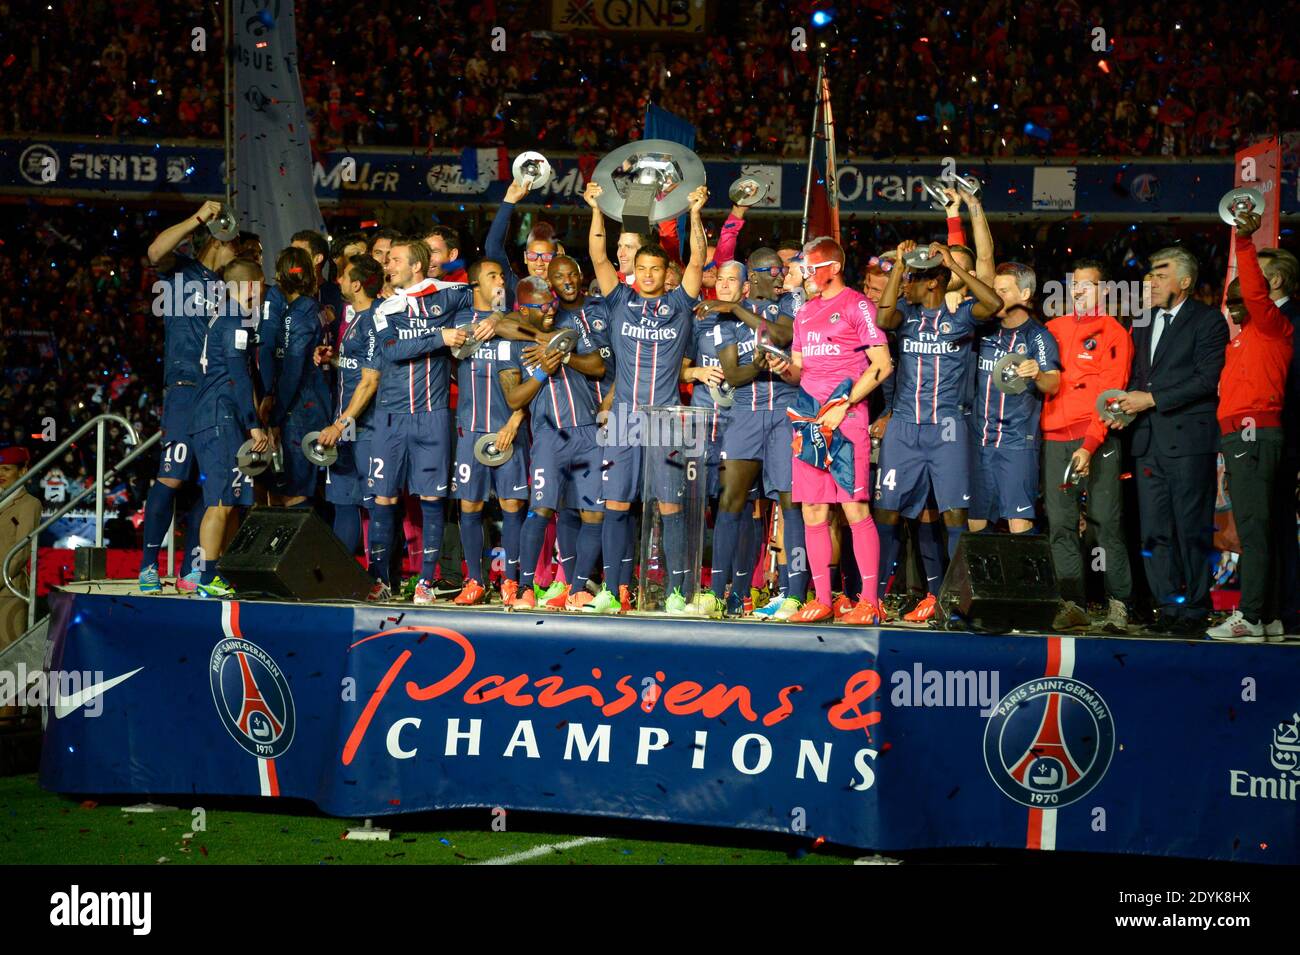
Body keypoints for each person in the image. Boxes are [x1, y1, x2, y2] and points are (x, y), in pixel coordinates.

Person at [582, 179, 708, 614]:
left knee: (670, 507)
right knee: (615, 503)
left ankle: (676, 594)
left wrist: (694, 214)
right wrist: (596, 208)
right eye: (643, 268)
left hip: (667, 418)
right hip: (622, 418)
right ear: (635, 271)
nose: (650, 275)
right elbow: (598, 255)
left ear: (664, 272)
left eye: (656, 269)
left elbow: (697, 261)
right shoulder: (618, 300)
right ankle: (612, 592)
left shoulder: (680, 303)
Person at [872, 240, 1003, 623]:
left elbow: (993, 304)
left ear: (933, 283)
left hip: (947, 429)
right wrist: (898, 263)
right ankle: (874, 598)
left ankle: (956, 603)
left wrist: (954, 268)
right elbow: (882, 321)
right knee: (888, 513)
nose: (906, 284)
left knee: (952, 516)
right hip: (904, 428)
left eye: (913, 278)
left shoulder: (961, 315)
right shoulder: (906, 315)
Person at [767, 236, 894, 624]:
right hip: (809, 419)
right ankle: (822, 599)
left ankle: (869, 602)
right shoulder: (804, 313)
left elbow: (882, 365)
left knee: (854, 507)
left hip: (846, 418)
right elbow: (801, 370)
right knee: (812, 509)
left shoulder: (858, 305)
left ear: (833, 267)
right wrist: (782, 368)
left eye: (811, 265)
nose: (804, 272)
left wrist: (845, 404)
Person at [1112, 247, 1229, 635]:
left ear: (1185, 282)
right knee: (1155, 531)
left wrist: (1153, 398)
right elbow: (1138, 376)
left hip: (1187, 441)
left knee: (1190, 528)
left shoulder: (1208, 321)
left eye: (1160, 275)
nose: (1151, 282)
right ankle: (1167, 607)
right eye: (1150, 275)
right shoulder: (1142, 321)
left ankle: (1196, 608)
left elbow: (1207, 379)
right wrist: (1123, 403)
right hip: (1147, 441)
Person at [138, 200, 236, 593]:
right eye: (233, 245)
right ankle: (148, 565)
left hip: (217, 397)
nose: (237, 252)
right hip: (184, 391)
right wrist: (198, 217)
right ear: (214, 241)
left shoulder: (231, 288)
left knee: (210, 485)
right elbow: (154, 252)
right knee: (171, 478)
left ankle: (191, 568)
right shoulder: (180, 273)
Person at [1207, 212, 1295, 641]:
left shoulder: (1273, 324)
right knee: (1264, 525)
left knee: (1253, 528)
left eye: (1256, 277)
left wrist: (1243, 241)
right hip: (1245, 433)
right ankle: (1271, 614)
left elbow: (1255, 293)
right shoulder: (1249, 332)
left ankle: (1252, 616)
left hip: (1253, 432)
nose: (1246, 286)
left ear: (1273, 283)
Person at [500, 277, 608, 611]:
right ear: (523, 308)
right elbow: (514, 398)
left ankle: (577, 590)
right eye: (541, 306)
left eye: (551, 304)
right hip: (549, 437)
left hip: (588, 434)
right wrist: (541, 372)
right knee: (541, 509)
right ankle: (525, 588)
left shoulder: (570, 325)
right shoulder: (512, 345)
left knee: (594, 513)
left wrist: (563, 355)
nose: (549, 310)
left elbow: (598, 366)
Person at [1041, 259, 1134, 631]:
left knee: (1105, 523)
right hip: (1054, 440)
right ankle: (1071, 604)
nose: (1080, 291)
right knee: (1061, 525)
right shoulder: (1052, 328)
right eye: (1075, 285)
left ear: (1105, 291)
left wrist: (1090, 443)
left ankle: (1118, 605)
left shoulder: (1113, 332)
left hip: (1096, 440)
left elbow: (1112, 397)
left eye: (1088, 285)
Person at [182, 258, 271, 597]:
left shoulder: (225, 315)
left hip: (219, 416)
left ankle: (221, 572)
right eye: (261, 284)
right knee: (221, 501)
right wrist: (253, 424)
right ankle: (206, 578)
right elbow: (238, 374)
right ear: (249, 286)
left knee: (232, 500)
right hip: (220, 417)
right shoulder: (234, 319)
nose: (264, 291)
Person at [449, 260, 530, 606]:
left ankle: (511, 581)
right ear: (474, 286)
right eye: (491, 276)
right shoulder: (458, 323)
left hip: (508, 429)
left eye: (501, 275)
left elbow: (533, 379)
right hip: (470, 431)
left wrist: (516, 419)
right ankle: (475, 581)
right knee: (470, 504)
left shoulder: (515, 323)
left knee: (512, 504)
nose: (500, 280)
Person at [971, 267, 1061, 534]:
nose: (995, 297)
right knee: (975, 524)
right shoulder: (983, 329)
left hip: (1016, 443)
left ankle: (1023, 578)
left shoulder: (1038, 336)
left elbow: (1054, 384)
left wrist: (1038, 373)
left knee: (1018, 524)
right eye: (994, 290)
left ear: (1024, 293)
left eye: (1003, 291)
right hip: (979, 441)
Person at [316, 254, 383, 556]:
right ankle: (342, 580)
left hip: (367, 428)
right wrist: (332, 359)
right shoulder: (354, 318)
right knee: (343, 501)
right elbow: (356, 366)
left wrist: (341, 423)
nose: (338, 281)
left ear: (355, 284)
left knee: (375, 505)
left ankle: (381, 577)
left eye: (343, 276)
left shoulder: (373, 321)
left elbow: (370, 381)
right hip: (346, 427)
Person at [264, 246, 331, 508]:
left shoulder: (298, 313)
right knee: (295, 485)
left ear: (281, 276)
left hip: (301, 409)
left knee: (295, 489)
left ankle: (299, 549)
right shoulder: (311, 308)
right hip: (309, 405)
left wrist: (277, 415)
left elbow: (293, 368)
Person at [0, 447, 41, 675]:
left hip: (9, 590)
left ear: (24, 470)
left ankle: (11, 711)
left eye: (7, 468)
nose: (1, 473)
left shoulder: (30, 504)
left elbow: (22, 552)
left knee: (10, 667)